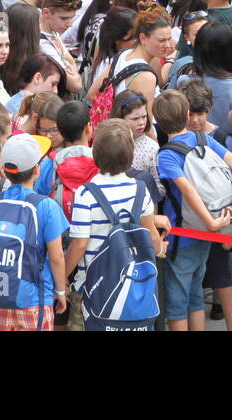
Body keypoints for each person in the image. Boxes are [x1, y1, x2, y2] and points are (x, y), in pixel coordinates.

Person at [155, 89, 232, 331]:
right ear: (187, 115)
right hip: (205, 234)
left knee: (177, 303)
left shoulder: (166, 154)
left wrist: (210, 222)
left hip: (184, 234)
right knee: (195, 297)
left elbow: (186, 190)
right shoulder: (203, 139)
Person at [64, 120, 165, 331]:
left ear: (96, 154)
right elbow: (151, 235)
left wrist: (62, 275)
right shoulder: (140, 190)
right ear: (129, 155)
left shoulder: (86, 193)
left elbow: (80, 244)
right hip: (132, 284)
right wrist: (159, 248)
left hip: (92, 284)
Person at [0, 133, 68, 331]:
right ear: (36, 170)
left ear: (4, 170)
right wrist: (61, 291)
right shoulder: (46, 206)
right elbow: (56, 257)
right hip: (33, 300)